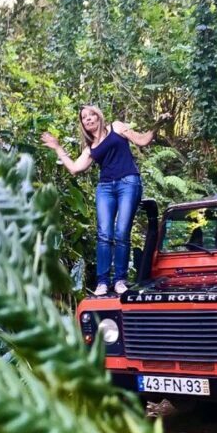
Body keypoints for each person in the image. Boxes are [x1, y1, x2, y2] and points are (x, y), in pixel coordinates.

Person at [41, 105, 166, 296]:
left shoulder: (116, 127)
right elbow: (74, 168)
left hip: (128, 183)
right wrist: (58, 147)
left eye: (91, 115)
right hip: (105, 188)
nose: (88, 119)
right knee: (104, 234)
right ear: (83, 123)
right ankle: (102, 282)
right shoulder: (90, 148)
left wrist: (157, 124)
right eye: (84, 117)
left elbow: (142, 140)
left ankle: (120, 280)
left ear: (99, 116)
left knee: (121, 232)